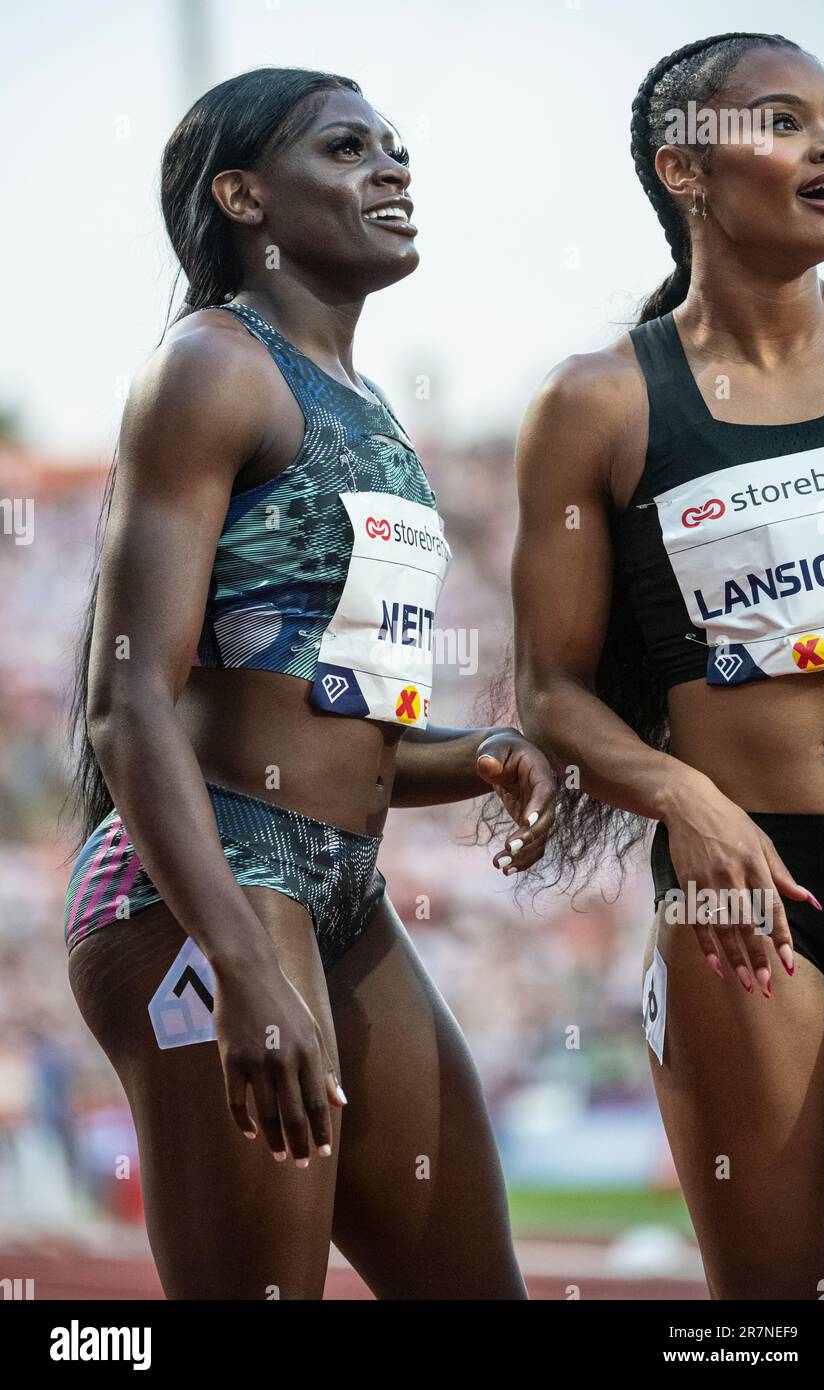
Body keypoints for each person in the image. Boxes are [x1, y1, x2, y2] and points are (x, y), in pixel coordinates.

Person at [61, 66, 557, 1300]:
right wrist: (238, 964)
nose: (391, 170)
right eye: (346, 150)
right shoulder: (212, 367)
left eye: (394, 149)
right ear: (243, 195)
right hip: (207, 878)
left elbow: (341, 726)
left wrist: (486, 750)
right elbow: (126, 703)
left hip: (339, 881)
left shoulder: (373, 409)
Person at [505, 32, 824, 1299]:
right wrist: (684, 795)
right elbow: (550, 689)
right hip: (747, 890)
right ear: (684, 169)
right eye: (783, 120)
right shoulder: (598, 403)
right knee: (769, 1314)